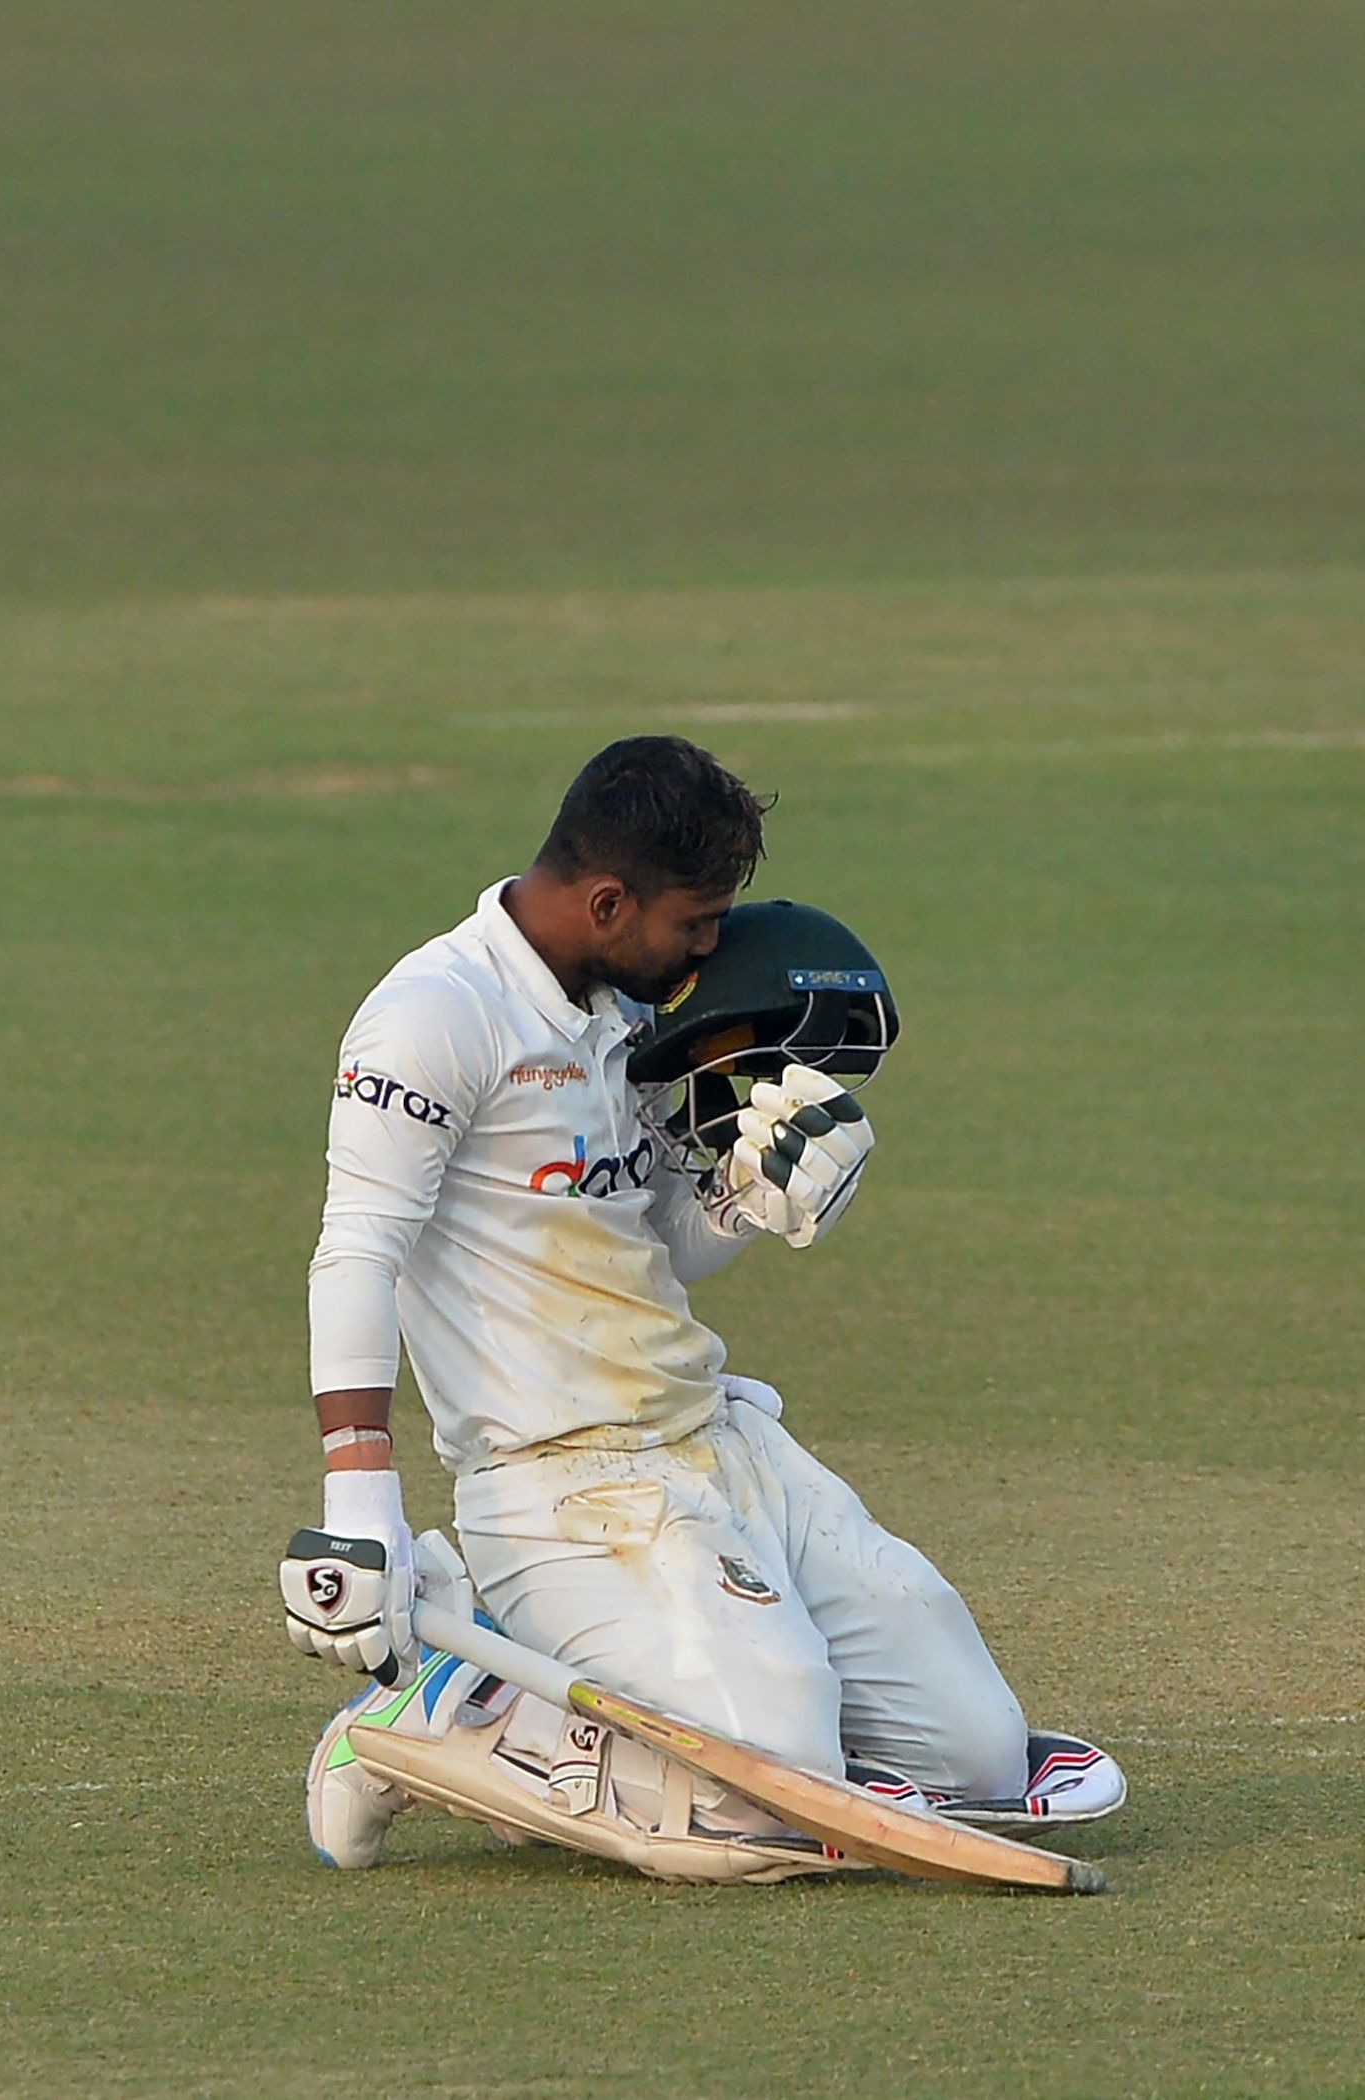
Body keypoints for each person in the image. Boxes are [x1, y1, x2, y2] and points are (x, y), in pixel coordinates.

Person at [280, 735, 1124, 1880]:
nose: (710, 949)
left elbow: (654, 1244)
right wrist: (360, 1494)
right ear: (609, 898)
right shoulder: (433, 1016)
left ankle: (637, 1692)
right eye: (694, 921)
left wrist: (746, 1198)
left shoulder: (629, 1006)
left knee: (973, 1759)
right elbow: (356, 1251)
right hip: (556, 1485)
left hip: (721, 1449)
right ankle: (435, 1705)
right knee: (759, 1797)